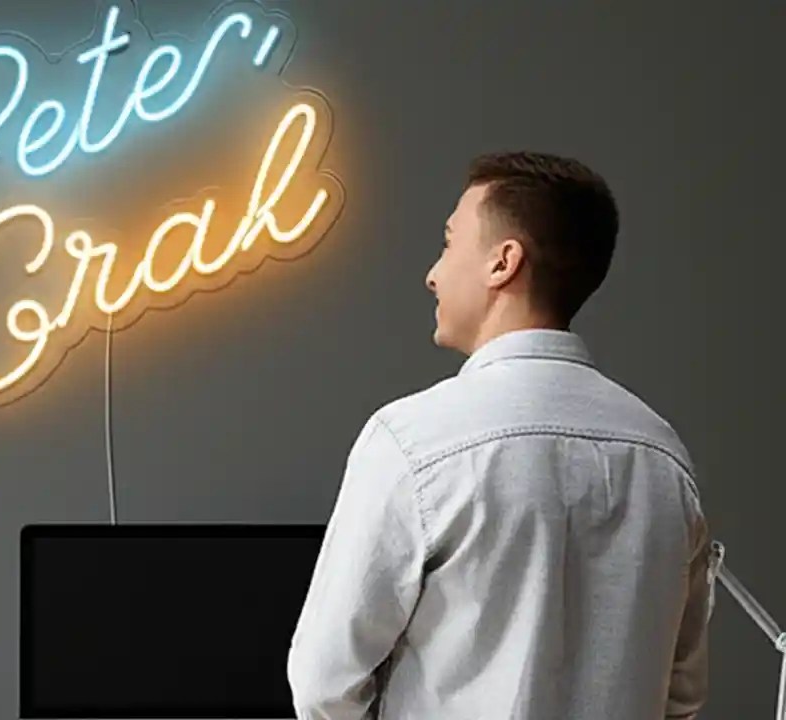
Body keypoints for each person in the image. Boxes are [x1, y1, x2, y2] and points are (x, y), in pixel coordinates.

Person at [286, 152, 712, 719]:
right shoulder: (664, 457)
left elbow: (323, 683)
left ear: (503, 262)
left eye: (448, 242)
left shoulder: (412, 442)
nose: (432, 273)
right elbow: (681, 694)